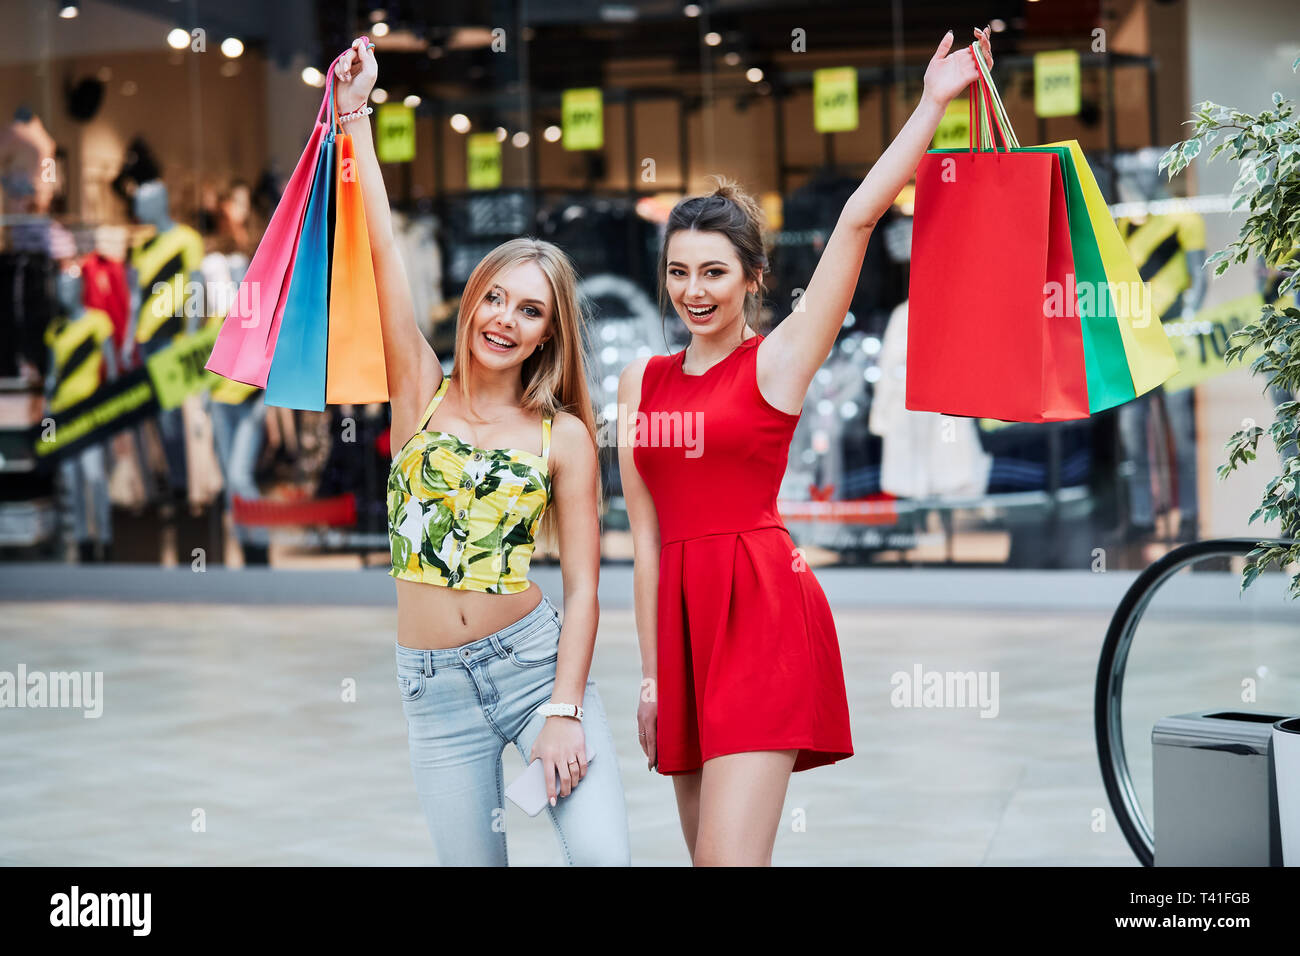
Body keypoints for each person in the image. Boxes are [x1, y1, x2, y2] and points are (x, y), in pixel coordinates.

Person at [617, 27, 994, 866]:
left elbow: (858, 222)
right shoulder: (640, 380)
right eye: (679, 273)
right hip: (680, 634)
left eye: (713, 272)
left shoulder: (778, 360)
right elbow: (644, 540)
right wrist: (651, 674)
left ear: (752, 277)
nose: (693, 291)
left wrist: (932, 103)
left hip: (758, 616)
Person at [333, 37, 630, 866]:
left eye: (529, 311)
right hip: (432, 688)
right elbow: (384, 252)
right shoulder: (417, 392)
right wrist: (356, 117)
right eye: (494, 297)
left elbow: (582, 587)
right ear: (469, 305)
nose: (505, 318)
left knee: (607, 859)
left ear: (547, 335)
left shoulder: (562, 436)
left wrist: (566, 709)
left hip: (535, 671)